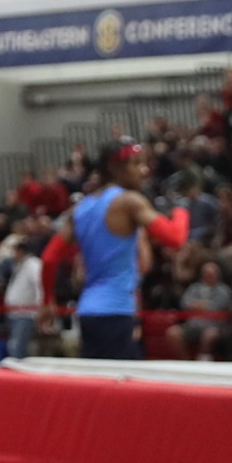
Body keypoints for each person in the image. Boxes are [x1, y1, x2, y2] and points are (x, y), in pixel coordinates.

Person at [41, 140, 190, 360]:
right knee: (123, 389)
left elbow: (49, 258)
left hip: (88, 312)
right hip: (115, 312)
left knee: (97, 385)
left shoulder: (81, 208)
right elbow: (175, 238)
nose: (144, 170)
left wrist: (47, 300)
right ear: (115, 168)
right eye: (136, 164)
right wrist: (181, 211)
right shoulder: (129, 201)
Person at [168, 261, 232, 360]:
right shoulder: (194, 288)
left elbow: (216, 307)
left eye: (212, 274)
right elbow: (184, 303)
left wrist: (196, 305)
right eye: (207, 273)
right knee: (173, 332)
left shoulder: (223, 290)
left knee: (209, 335)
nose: (209, 276)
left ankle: (203, 361)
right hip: (192, 324)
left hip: (213, 325)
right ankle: (185, 361)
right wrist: (203, 305)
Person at [2, 238, 43, 360]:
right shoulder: (19, 265)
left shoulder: (33, 264)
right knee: (14, 346)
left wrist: (40, 306)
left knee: (17, 346)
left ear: (21, 251)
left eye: (15, 251)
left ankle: (20, 375)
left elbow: (39, 284)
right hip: (15, 313)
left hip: (26, 314)